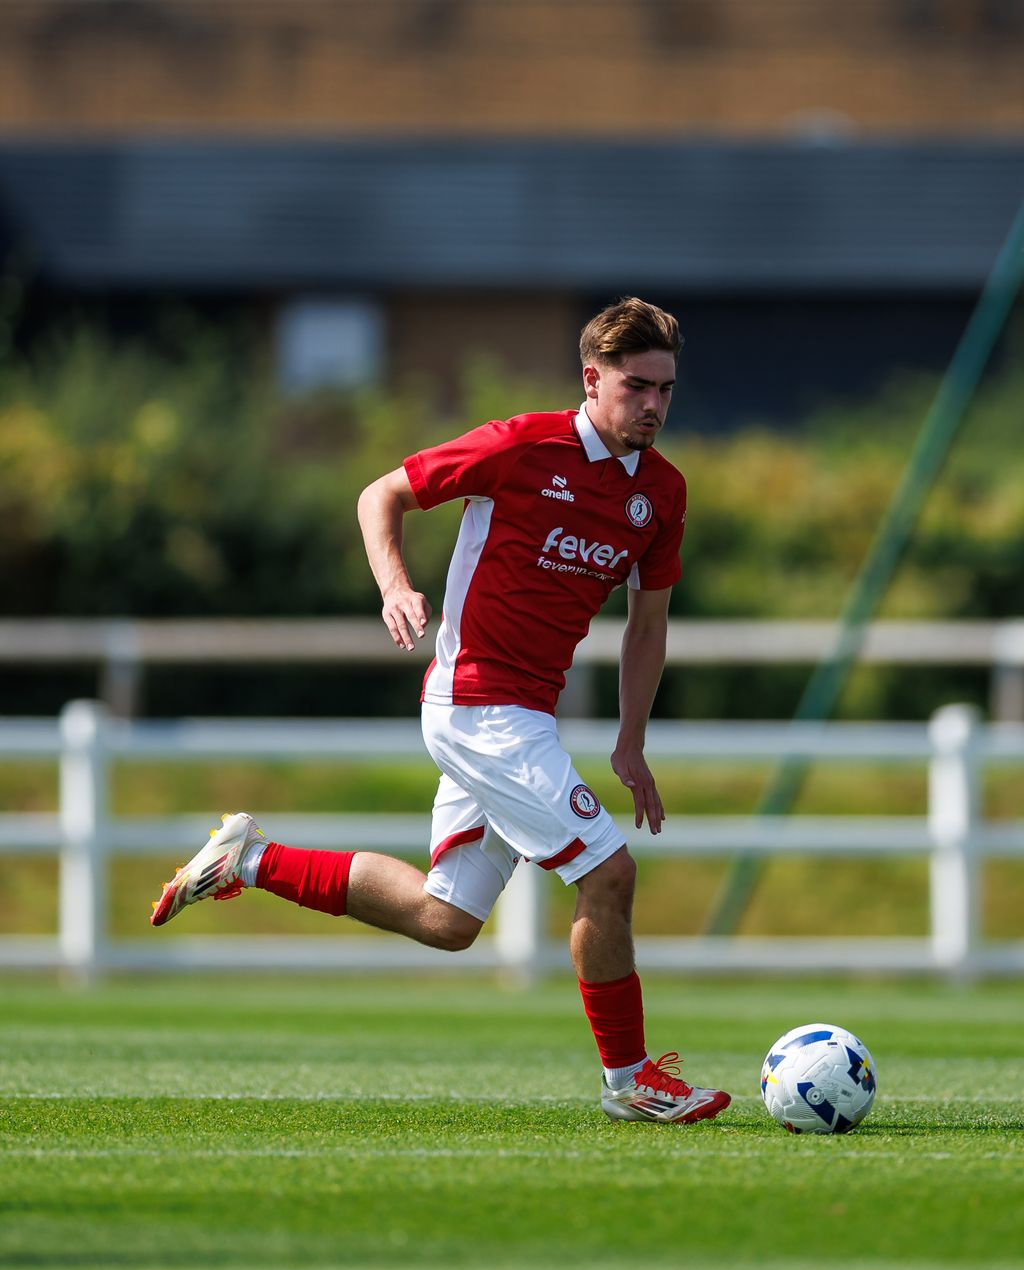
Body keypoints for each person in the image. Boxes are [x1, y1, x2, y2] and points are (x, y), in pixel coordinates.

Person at [151, 297, 730, 1126]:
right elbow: (379, 494)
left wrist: (631, 741)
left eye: (666, 389)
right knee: (608, 872)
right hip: (478, 705)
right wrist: (395, 585)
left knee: (446, 918)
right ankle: (629, 1079)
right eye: (637, 386)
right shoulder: (523, 443)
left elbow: (649, 625)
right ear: (592, 378)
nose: (654, 405)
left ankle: (251, 859)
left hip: (524, 715)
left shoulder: (663, 494)